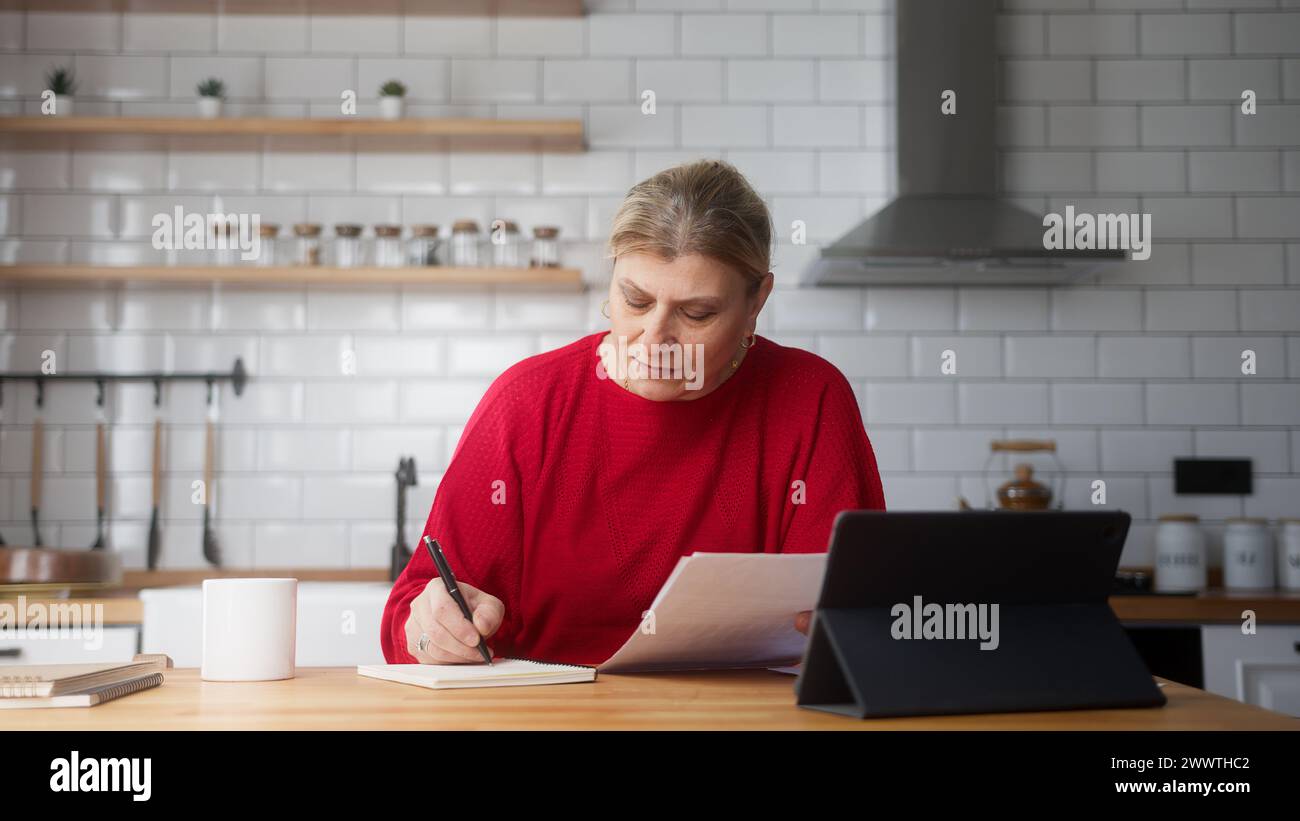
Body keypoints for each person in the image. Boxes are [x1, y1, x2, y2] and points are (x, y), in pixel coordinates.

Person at [381, 159, 886, 667]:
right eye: (636, 300)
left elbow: (857, 618)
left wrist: (852, 630)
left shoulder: (810, 399)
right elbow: (406, 620)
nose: (655, 337)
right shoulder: (527, 404)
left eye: (697, 313)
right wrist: (429, 631)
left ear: (757, 301)